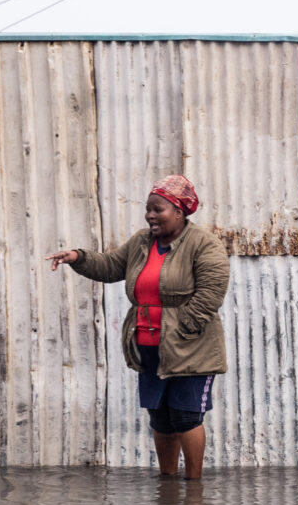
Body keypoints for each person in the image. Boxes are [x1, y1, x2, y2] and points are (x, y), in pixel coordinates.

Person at [45, 174, 230, 479]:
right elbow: (110, 266)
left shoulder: (203, 244)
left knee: (186, 416)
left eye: (158, 209)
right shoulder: (142, 242)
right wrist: (77, 257)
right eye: (148, 209)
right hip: (148, 345)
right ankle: (168, 483)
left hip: (190, 346)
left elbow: (211, 293)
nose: (150, 215)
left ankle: (194, 487)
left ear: (179, 212)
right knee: (160, 417)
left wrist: (183, 328)